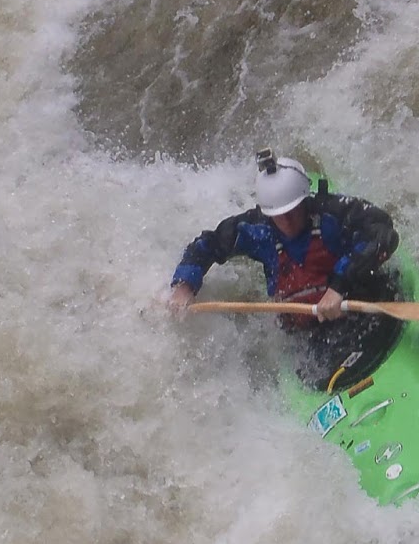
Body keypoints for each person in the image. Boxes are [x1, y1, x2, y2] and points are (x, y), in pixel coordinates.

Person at [168, 150, 404, 390]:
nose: (288, 221)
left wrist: (339, 286)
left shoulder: (332, 212)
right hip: (307, 330)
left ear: (305, 200)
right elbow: (206, 245)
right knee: (318, 375)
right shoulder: (257, 229)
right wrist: (183, 286)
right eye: (279, 216)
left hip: (355, 307)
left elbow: (382, 231)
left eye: (293, 211)